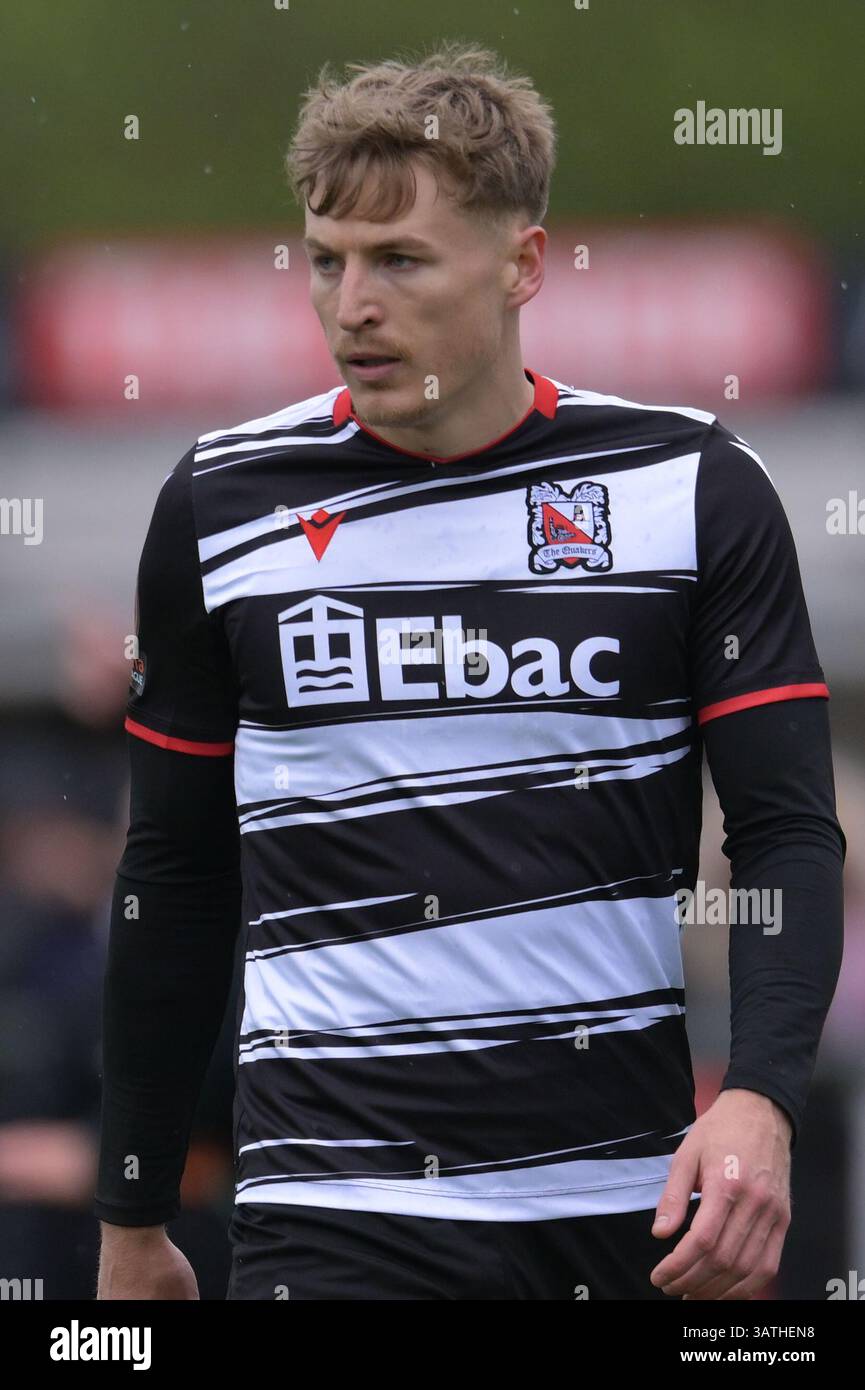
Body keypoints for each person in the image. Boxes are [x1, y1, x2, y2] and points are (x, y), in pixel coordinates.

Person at [94, 43, 845, 1301]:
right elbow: (172, 870)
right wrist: (131, 1214)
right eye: (325, 260)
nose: (350, 305)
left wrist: (761, 1096)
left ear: (522, 266)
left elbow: (782, 834)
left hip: (621, 1204)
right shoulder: (220, 505)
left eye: (398, 260)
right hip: (330, 1203)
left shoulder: (690, 487)